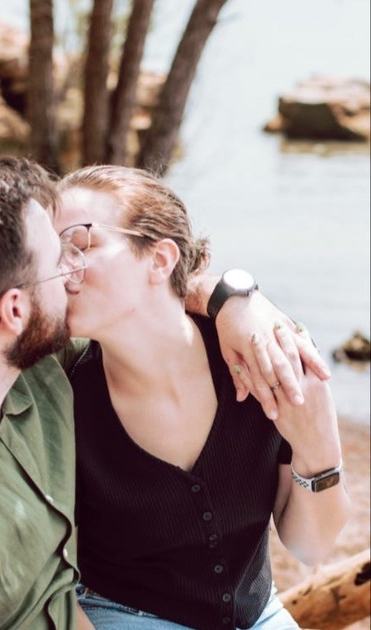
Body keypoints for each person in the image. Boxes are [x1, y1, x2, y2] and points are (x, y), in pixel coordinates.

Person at [0, 158, 323, 629]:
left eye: (80, 249)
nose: (74, 273)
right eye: (58, 259)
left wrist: (237, 298)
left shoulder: (32, 375)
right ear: (15, 312)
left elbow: (151, 298)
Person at [53, 165, 350, 630]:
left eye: (82, 243)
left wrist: (318, 447)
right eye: (51, 253)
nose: (60, 268)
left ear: (160, 259)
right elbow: (44, 571)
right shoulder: (61, 390)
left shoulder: (261, 359)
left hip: (258, 614)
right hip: (119, 615)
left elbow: (310, 547)